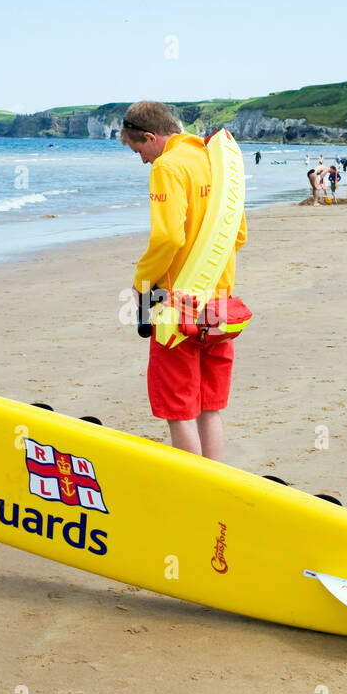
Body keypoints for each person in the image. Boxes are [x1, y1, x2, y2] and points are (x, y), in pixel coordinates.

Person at [121, 101, 246, 460]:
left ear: (150, 137)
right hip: (221, 305)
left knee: (179, 410)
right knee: (210, 407)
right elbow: (238, 235)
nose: (143, 159)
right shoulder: (214, 161)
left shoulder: (167, 166)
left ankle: (194, 488)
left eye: (139, 150)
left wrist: (142, 282)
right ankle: (215, 481)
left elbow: (168, 238)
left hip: (179, 307)